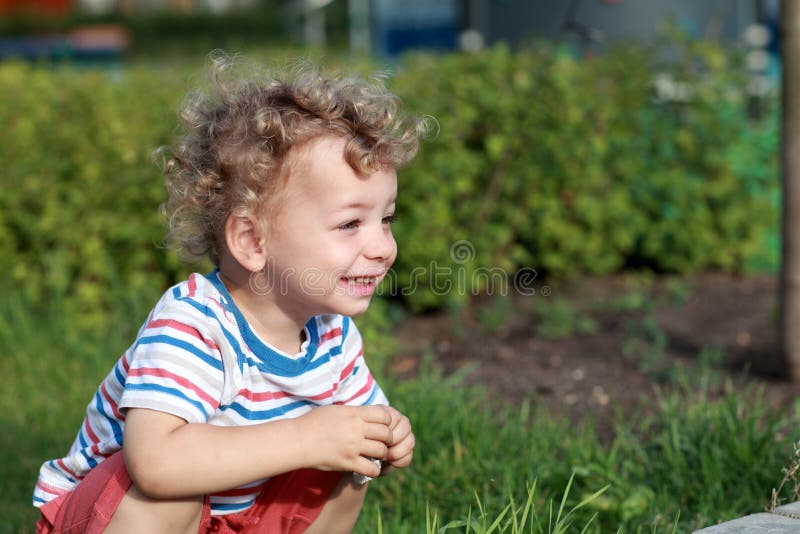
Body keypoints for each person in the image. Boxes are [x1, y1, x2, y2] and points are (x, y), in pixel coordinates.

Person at [32, 54, 427, 534]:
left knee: (346, 467)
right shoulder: (194, 323)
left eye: (385, 219)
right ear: (252, 241)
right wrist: (307, 438)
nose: (384, 247)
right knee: (169, 495)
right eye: (350, 224)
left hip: (232, 516)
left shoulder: (333, 335)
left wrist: (382, 436)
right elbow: (155, 462)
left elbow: (356, 428)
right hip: (114, 517)